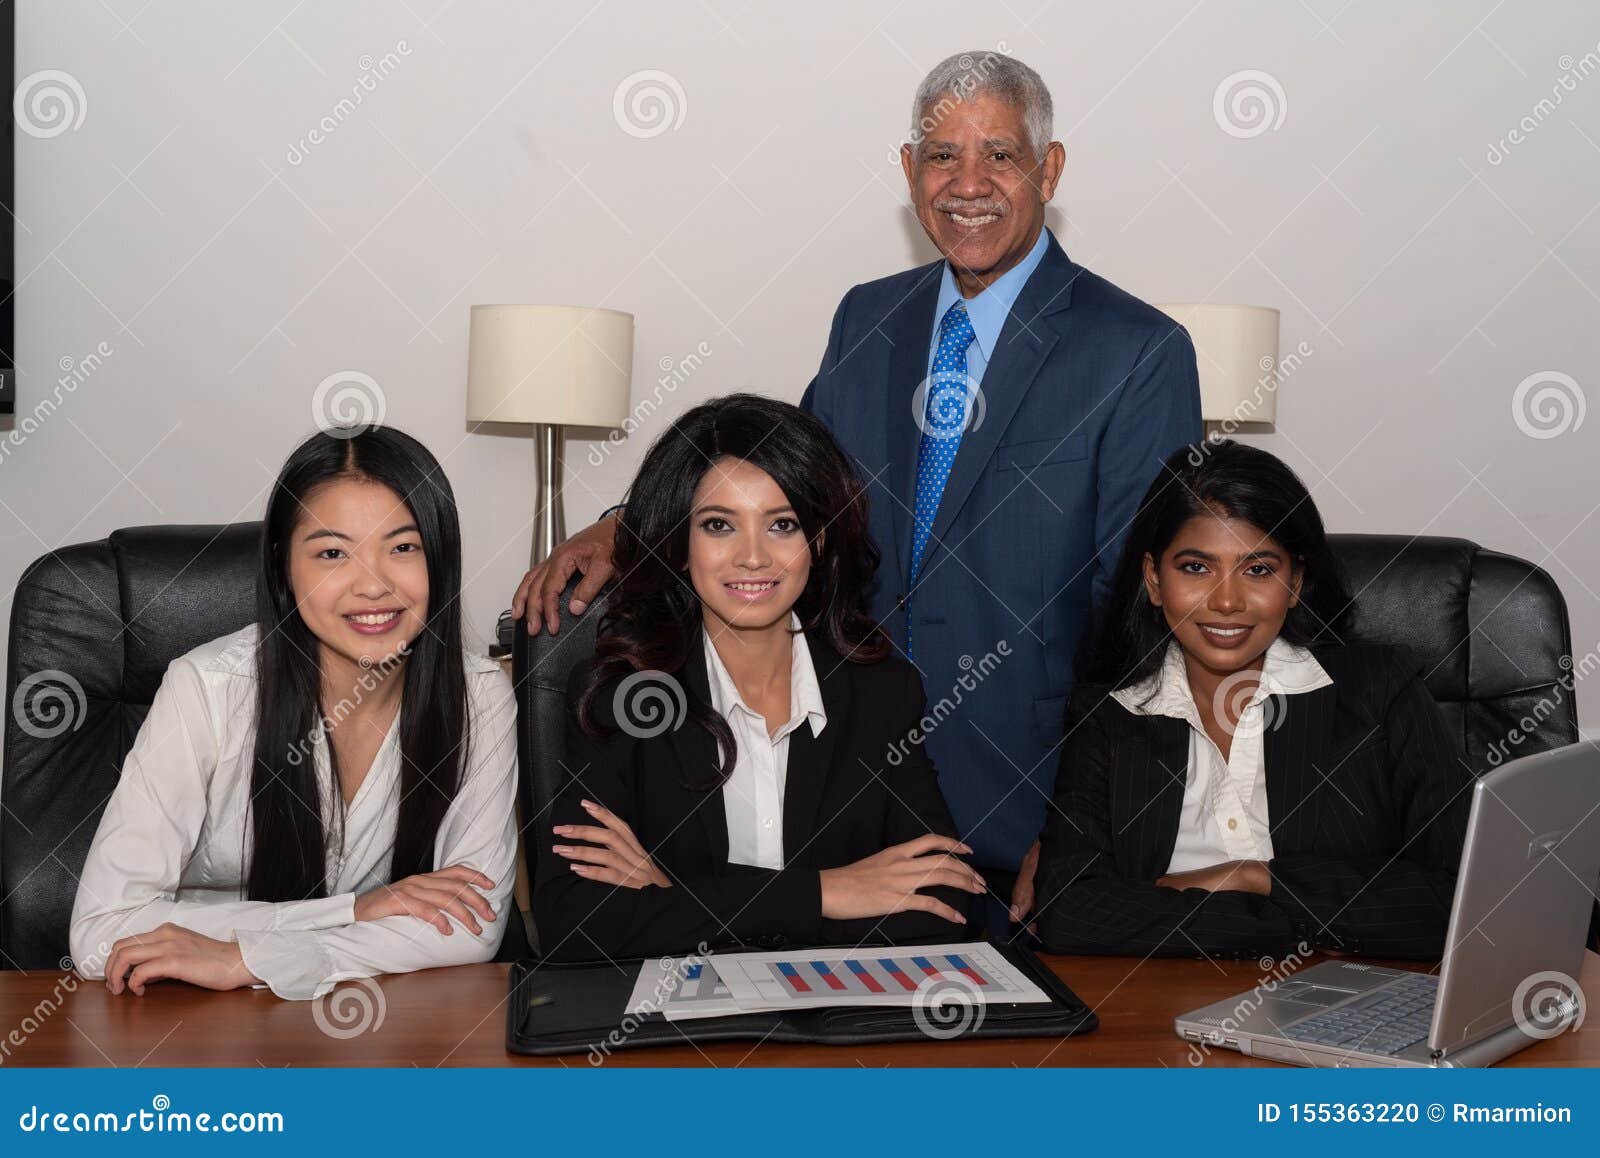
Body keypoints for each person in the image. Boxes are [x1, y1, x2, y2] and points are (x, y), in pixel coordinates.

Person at [514, 51, 1202, 933]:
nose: (969, 183)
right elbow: (789, 481)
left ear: (1050, 168)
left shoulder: (1137, 351)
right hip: (846, 807)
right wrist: (630, 528)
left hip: (1029, 806)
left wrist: (1087, 825)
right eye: (942, 155)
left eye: (1000, 154)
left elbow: (1148, 615)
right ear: (909, 171)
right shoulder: (868, 317)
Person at [70, 426, 521, 1000]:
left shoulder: (479, 697)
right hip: (198, 1028)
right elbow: (100, 933)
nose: (373, 584)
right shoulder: (208, 689)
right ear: (285, 565)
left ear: (441, 556)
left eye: (403, 547)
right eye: (333, 553)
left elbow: (471, 926)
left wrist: (251, 959)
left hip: (381, 1035)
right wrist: (353, 913)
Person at [533, 394, 986, 961]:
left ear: (818, 541)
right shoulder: (624, 696)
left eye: (782, 525)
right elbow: (572, 926)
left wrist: (678, 898)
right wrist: (828, 892)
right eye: (719, 525)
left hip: (839, 1036)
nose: (752, 557)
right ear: (681, 544)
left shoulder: (883, 694)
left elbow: (945, 904)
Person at [1032, 440, 1472, 959]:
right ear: (1154, 580)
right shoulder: (1109, 716)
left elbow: (1461, 899)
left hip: (1347, 1010)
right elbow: (1069, 913)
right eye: (1196, 567)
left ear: (1296, 580)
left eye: (1258, 569)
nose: (1226, 601)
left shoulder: (1380, 690)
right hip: (1161, 1013)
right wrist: (1297, 920)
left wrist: (1255, 877)